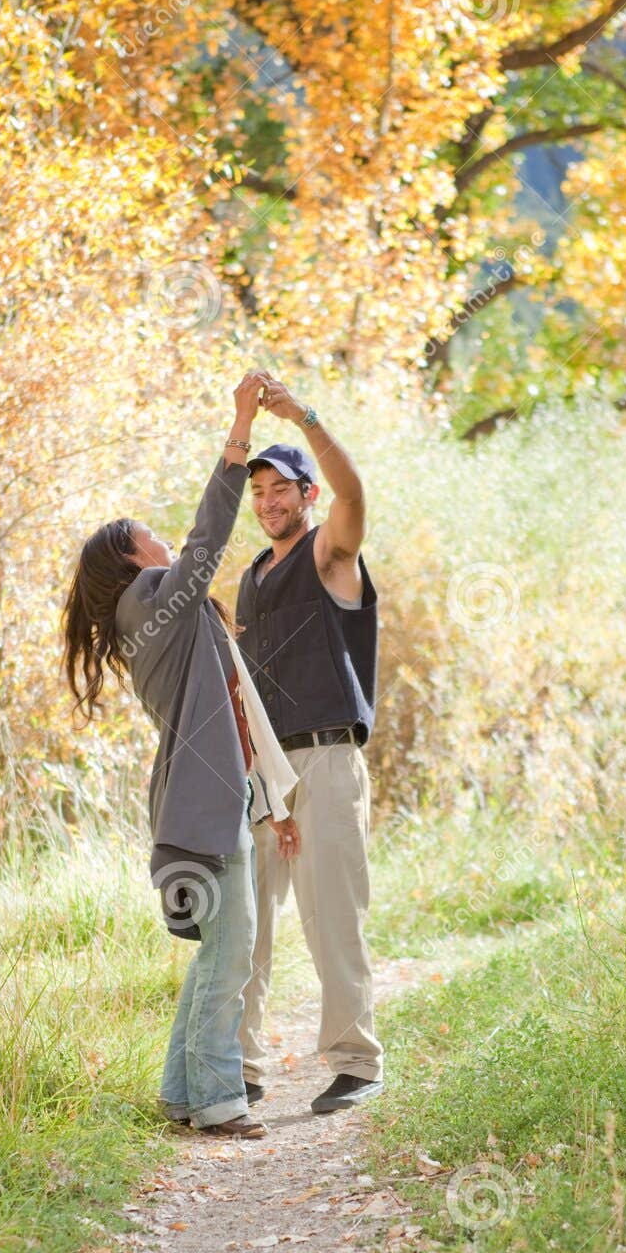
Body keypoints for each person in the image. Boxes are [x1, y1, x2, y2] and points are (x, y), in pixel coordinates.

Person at [62, 370, 299, 1140]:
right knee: (231, 956)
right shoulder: (155, 598)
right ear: (132, 561)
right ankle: (221, 1100)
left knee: (219, 954)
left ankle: (181, 1092)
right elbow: (208, 536)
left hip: (196, 801)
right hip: (199, 807)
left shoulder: (147, 615)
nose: (163, 541)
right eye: (147, 538)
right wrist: (238, 425)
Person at [235, 377, 383, 1115]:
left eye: (281, 488)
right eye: (257, 489)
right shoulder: (249, 578)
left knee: (330, 915)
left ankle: (355, 1062)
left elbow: (355, 496)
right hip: (267, 769)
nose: (267, 500)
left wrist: (306, 417)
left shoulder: (329, 555)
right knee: (248, 923)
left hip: (326, 757)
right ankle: (243, 1068)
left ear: (306, 494)